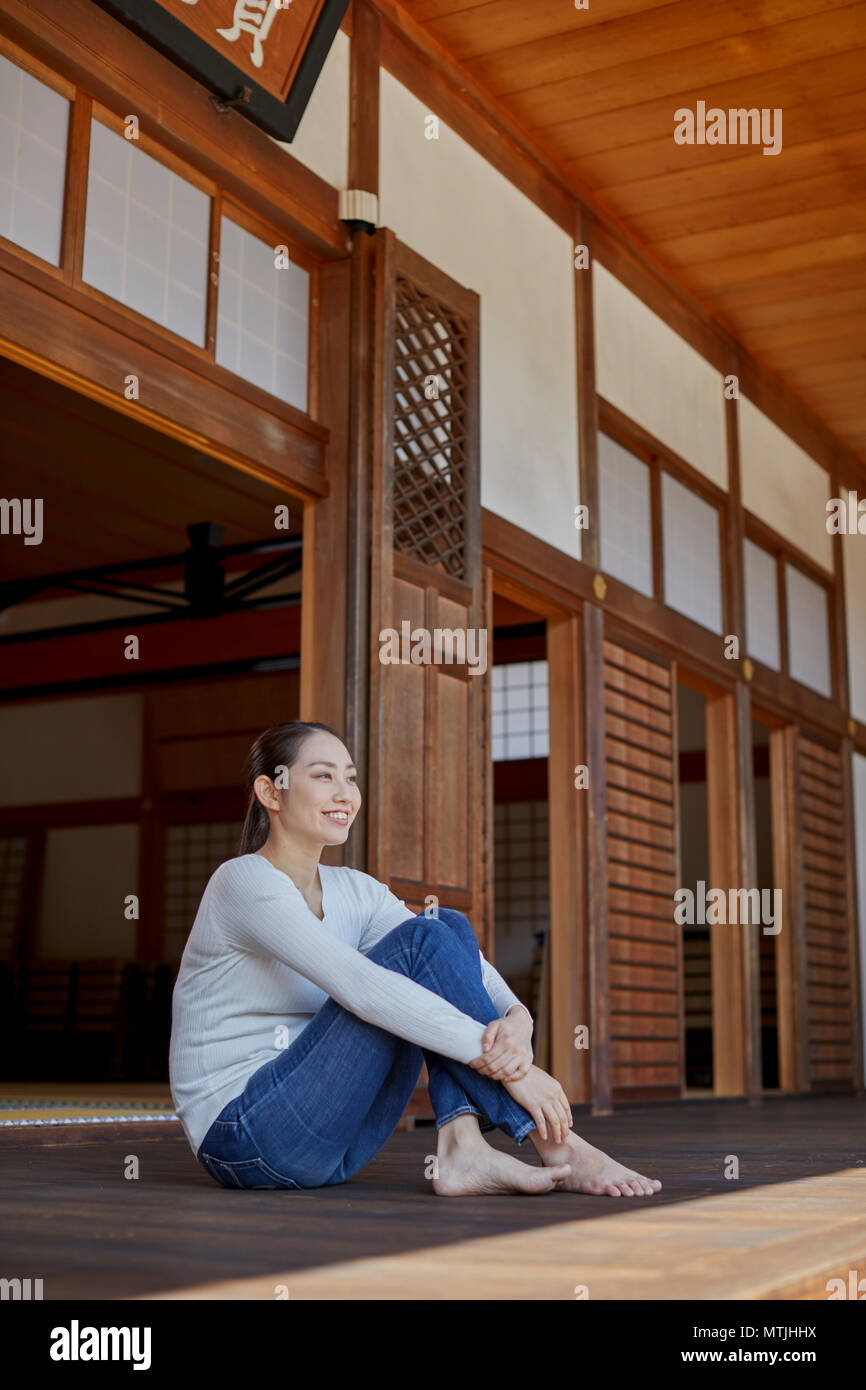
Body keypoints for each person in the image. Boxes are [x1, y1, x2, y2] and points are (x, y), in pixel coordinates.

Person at [169, 720, 662, 1198]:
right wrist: (514, 1072)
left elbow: (459, 961)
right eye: (323, 776)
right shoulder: (242, 882)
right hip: (244, 1136)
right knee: (417, 947)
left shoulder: (355, 890)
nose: (346, 793)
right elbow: (358, 985)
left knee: (446, 927)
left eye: (351, 777)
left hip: (335, 1145)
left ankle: (462, 1144)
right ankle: (556, 1143)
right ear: (271, 792)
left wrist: (518, 1019)